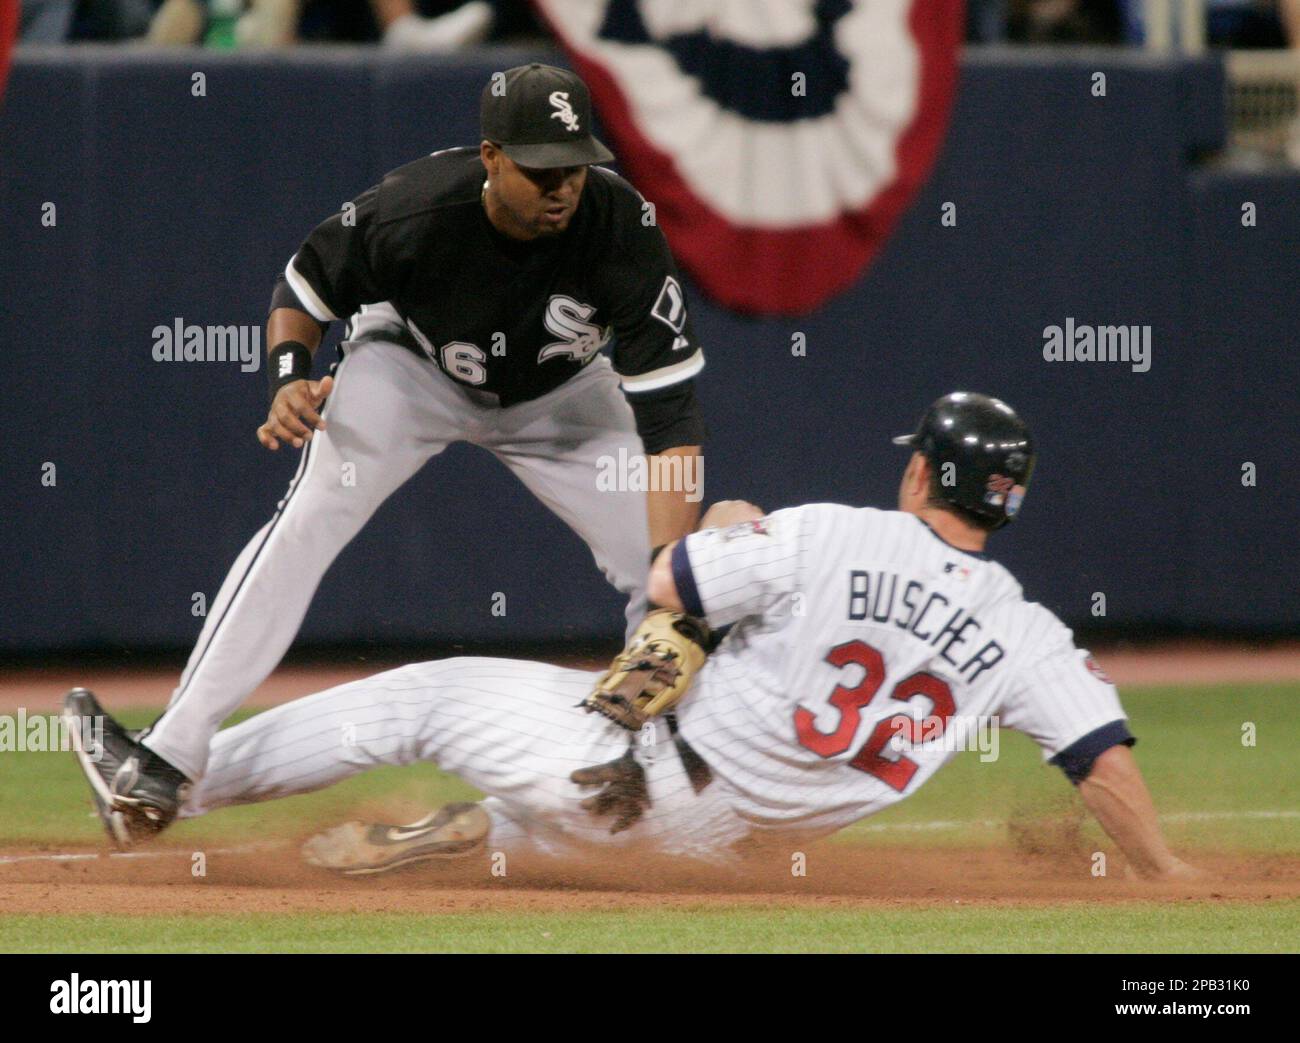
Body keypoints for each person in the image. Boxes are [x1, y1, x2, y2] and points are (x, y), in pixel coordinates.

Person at [66, 393, 1199, 881]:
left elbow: (670, 579)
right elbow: (1100, 758)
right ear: (1009, 499)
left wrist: (723, 518)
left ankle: (163, 787)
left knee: (421, 692)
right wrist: (1162, 872)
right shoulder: (1024, 630)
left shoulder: (835, 533)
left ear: (920, 471)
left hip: (634, 772)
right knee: (540, 824)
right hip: (725, 856)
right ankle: (476, 837)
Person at [67, 63, 708, 849]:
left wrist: (674, 571)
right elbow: (304, 290)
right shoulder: (416, 208)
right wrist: (286, 378)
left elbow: (671, 418)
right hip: (411, 370)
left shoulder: (622, 227)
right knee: (308, 518)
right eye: (542, 168)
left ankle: (661, 777)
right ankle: (163, 757)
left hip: (563, 397)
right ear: (492, 156)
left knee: (670, 572)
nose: (562, 187)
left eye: (575, 167)